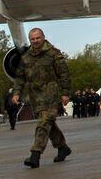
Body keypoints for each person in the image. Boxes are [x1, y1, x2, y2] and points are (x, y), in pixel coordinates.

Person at [12, 27, 72, 168]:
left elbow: (64, 74)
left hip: (51, 95)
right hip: (35, 98)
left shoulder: (53, 54)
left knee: (44, 123)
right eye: (32, 39)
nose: (35, 41)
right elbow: (20, 77)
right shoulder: (26, 58)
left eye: (38, 38)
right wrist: (16, 93)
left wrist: (65, 93)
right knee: (48, 125)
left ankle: (35, 155)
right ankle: (62, 148)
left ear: (43, 37)